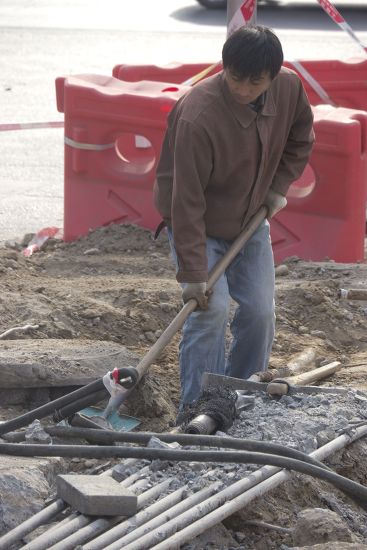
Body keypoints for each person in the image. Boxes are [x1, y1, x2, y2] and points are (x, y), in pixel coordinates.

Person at [154, 24, 314, 412]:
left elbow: (301, 136)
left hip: (250, 223)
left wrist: (278, 187)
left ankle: (240, 400)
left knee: (260, 311)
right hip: (199, 225)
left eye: (254, 82)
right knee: (212, 311)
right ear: (223, 68)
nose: (242, 90)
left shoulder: (289, 89)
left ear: (273, 78)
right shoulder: (198, 116)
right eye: (235, 78)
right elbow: (185, 200)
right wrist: (193, 273)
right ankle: (197, 408)